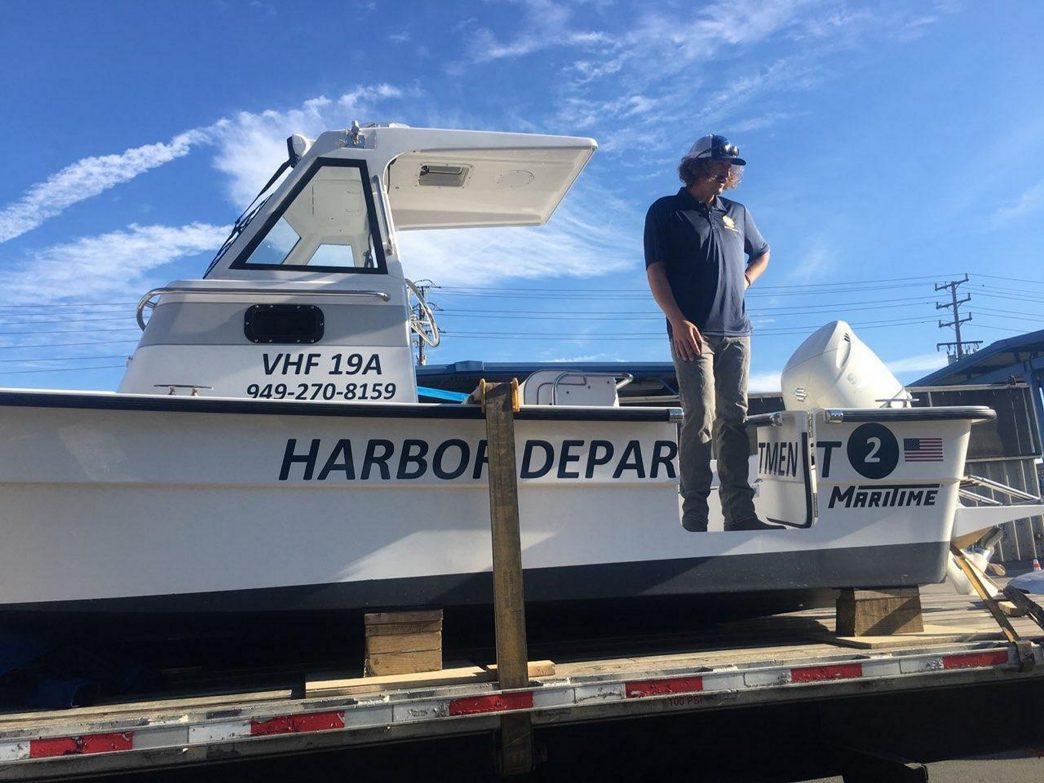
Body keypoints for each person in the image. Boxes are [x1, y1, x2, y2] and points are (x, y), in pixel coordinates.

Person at [644, 134, 777, 532]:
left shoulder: (736, 211)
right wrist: (677, 320)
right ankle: (695, 519)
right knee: (700, 415)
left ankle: (740, 514)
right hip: (692, 333)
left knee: (734, 417)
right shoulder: (667, 211)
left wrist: (748, 281)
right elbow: (656, 272)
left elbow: (763, 252)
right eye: (718, 165)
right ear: (697, 166)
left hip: (737, 331)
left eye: (730, 168)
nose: (726, 173)